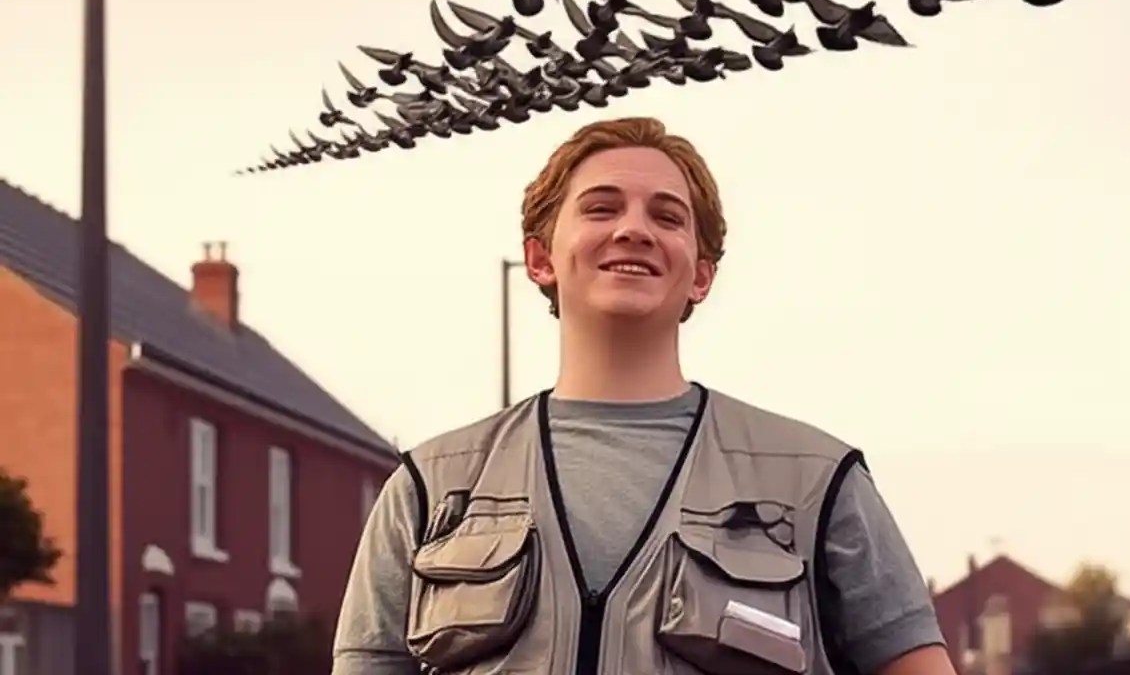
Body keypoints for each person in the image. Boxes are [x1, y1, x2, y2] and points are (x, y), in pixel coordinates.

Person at [331, 116, 955, 675]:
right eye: (601, 209)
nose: (633, 229)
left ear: (701, 275)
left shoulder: (817, 483)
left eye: (666, 216)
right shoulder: (430, 489)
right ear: (540, 258)